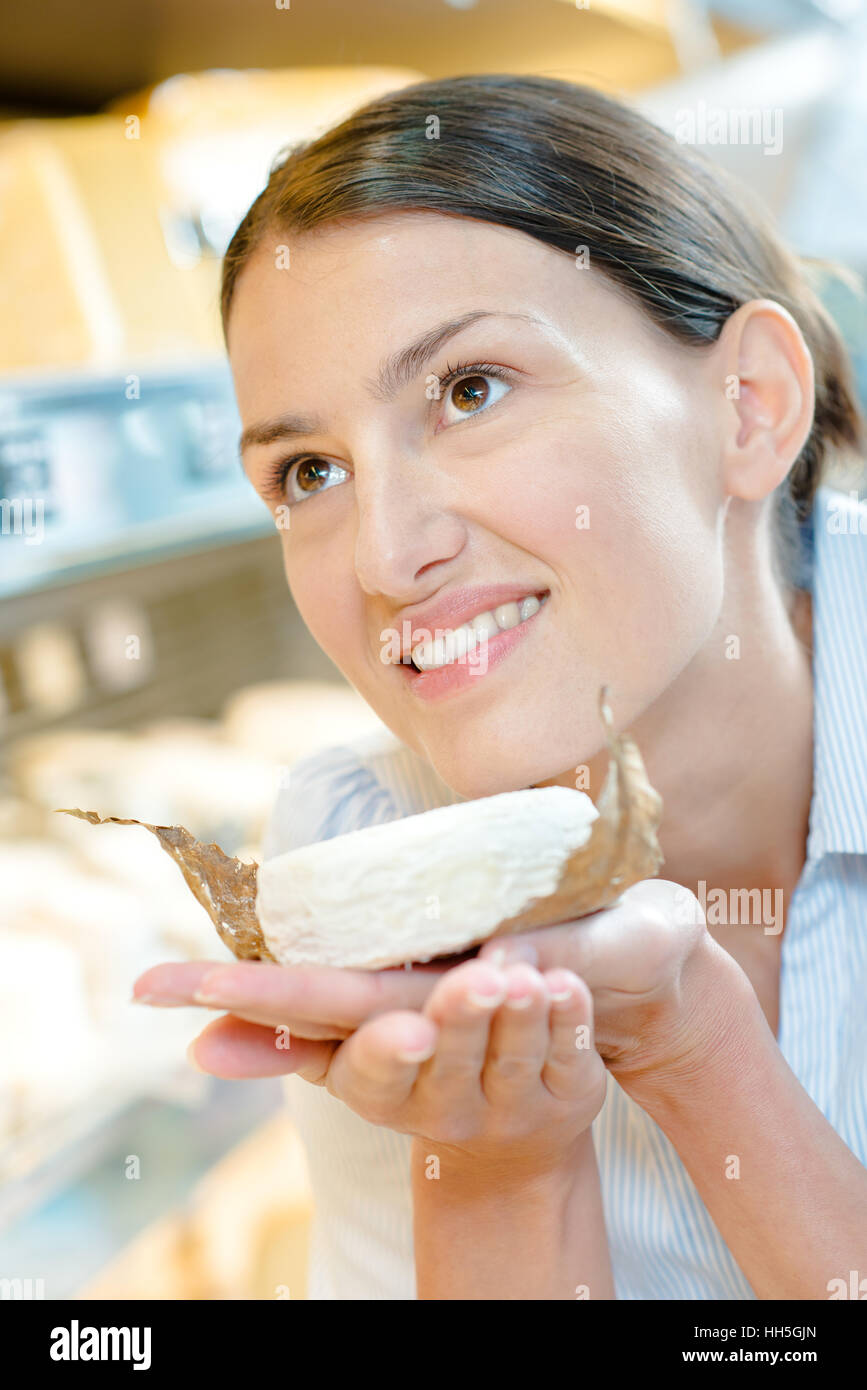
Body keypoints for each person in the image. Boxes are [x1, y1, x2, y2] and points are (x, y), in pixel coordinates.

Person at [135, 74, 867, 1300]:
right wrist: (498, 1170)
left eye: (470, 390)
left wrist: (694, 1043)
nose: (384, 557)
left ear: (749, 405)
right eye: (310, 471)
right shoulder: (368, 862)